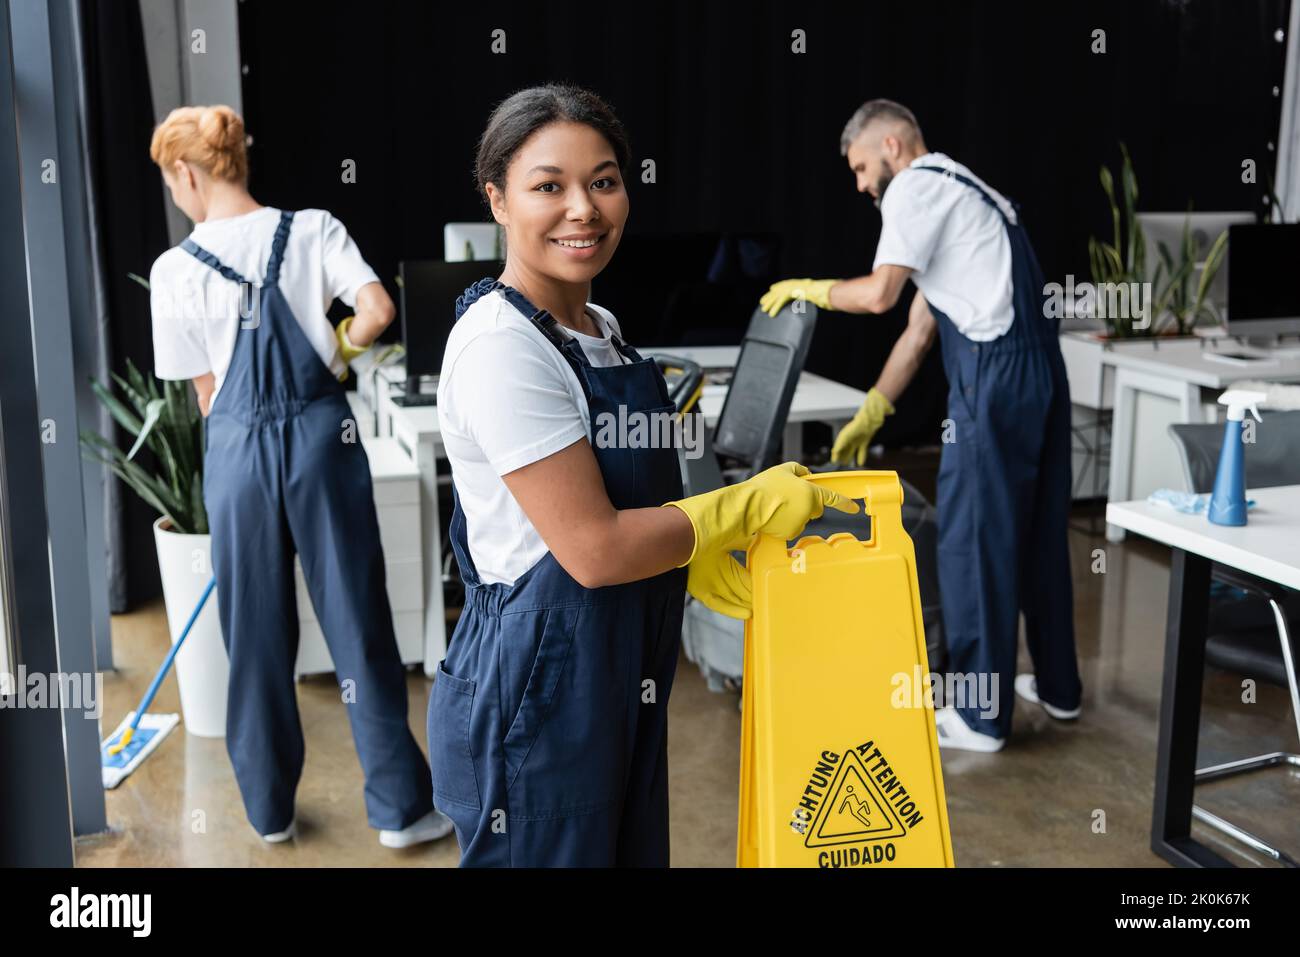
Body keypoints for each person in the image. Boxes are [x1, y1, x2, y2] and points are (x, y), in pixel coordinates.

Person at [429, 84, 856, 866]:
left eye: (603, 180)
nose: (583, 208)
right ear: (497, 200)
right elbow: (592, 548)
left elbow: (632, 505)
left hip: (616, 668)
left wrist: (693, 555)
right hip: (539, 685)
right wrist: (737, 509)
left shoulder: (602, 329)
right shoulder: (503, 344)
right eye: (548, 186)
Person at [148, 104, 452, 846]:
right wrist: (335, 351)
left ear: (186, 173)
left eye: (170, 181)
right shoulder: (313, 227)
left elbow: (206, 391)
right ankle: (401, 811)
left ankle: (270, 812)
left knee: (252, 628)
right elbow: (378, 309)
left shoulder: (173, 268)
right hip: (323, 433)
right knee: (356, 614)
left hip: (237, 449)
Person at [760, 99, 1081, 752]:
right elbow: (921, 327)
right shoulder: (969, 189)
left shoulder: (915, 187)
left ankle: (979, 716)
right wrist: (874, 407)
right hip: (1042, 373)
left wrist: (811, 289)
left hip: (992, 381)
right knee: (1040, 529)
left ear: (890, 144)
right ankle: (1058, 688)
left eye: (859, 167)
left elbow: (881, 295)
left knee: (973, 539)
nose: (860, 184)